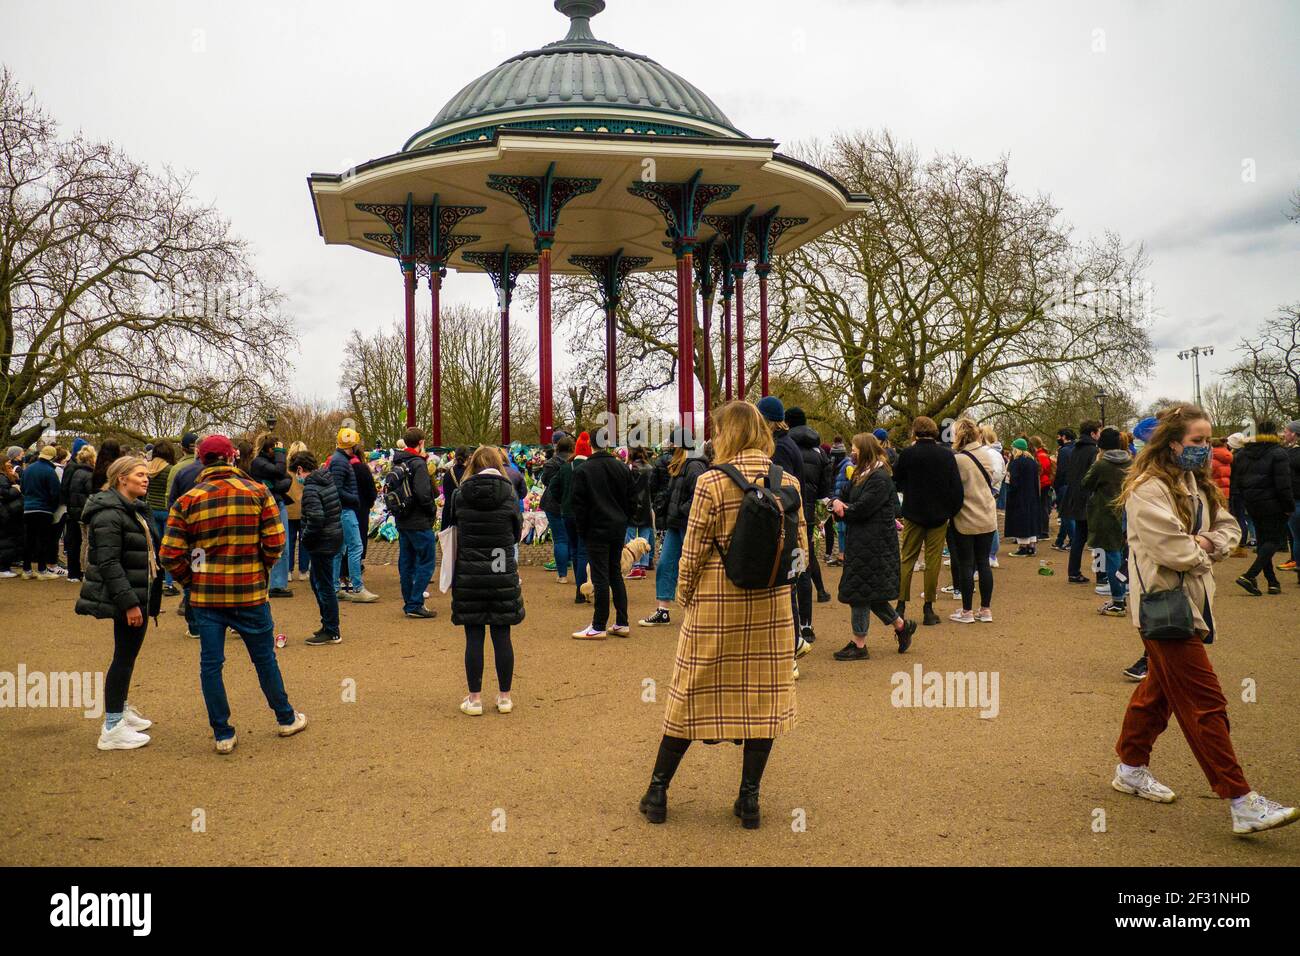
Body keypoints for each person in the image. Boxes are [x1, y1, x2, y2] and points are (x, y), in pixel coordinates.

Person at [1112, 404, 1297, 834]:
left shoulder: (1195, 482)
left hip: (1186, 603)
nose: (1205, 449)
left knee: (1156, 695)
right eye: (1197, 441)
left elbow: (1231, 529)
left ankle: (1130, 767)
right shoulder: (1147, 487)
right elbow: (1175, 551)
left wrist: (1204, 543)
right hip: (1166, 607)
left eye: (1207, 440)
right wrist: (1207, 546)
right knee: (1205, 704)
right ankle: (1240, 799)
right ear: (1172, 442)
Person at [638, 401, 805, 830]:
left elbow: (690, 552)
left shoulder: (712, 482)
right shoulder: (788, 482)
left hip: (718, 603)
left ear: (726, 433)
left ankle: (658, 791)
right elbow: (801, 555)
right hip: (771, 606)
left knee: (690, 693)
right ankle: (749, 800)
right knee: (763, 700)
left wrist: (685, 597)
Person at [160, 435, 307, 753]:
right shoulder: (257, 492)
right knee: (264, 658)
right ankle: (285, 718)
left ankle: (223, 733)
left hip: (207, 597)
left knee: (211, 664)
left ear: (201, 460)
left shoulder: (188, 500)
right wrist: (261, 570)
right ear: (231, 459)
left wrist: (191, 580)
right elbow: (275, 543)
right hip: (250, 593)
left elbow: (170, 553)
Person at [74, 457, 163, 750]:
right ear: (121, 478)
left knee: (127, 655)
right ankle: (112, 726)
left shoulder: (132, 508)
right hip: (127, 596)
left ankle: (120, 710)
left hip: (137, 591)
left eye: (146, 474)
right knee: (123, 657)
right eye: (140, 474)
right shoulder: (110, 514)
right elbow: (109, 563)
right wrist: (129, 603)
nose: (146, 479)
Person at [443, 446, 523, 715]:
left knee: (474, 635)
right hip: (500, 566)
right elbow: (515, 533)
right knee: (502, 634)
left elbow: (453, 527)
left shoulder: (460, 495)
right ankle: (504, 697)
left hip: (470, 569)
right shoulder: (509, 493)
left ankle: (474, 699)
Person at [831, 432, 916, 659]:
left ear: (864, 450)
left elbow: (861, 508)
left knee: (859, 593)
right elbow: (846, 497)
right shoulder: (862, 474)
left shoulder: (879, 478)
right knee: (871, 594)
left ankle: (859, 644)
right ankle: (901, 626)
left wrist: (843, 508)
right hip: (864, 541)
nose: (852, 452)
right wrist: (838, 503)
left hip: (875, 544)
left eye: (855, 448)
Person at [893, 416, 964, 627]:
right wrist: (950, 510)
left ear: (915, 432)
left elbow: (896, 480)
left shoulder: (907, 454)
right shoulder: (946, 455)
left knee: (907, 559)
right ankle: (928, 609)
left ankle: (900, 605)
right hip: (939, 515)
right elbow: (956, 488)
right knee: (933, 562)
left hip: (913, 513)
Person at [640, 431, 708, 627]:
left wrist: (678, 509)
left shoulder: (694, 465)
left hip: (687, 522)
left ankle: (695, 609)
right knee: (666, 564)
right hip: (677, 523)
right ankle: (663, 609)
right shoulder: (685, 464)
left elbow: (698, 496)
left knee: (690, 567)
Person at [570, 431, 632, 639]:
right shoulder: (622, 468)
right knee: (615, 573)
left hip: (595, 529)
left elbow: (579, 506)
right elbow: (630, 499)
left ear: (589, 444)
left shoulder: (584, 470)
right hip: (617, 526)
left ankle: (598, 625)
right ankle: (622, 621)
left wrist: (581, 531)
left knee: (600, 576)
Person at [1230, 421, 1295, 596]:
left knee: (1263, 541)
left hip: (1252, 503)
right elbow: (1283, 484)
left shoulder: (1242, 453)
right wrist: (1288, 506)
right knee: (1273, 541)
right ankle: (1250, 575)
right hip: (1274, 504)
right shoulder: (1278, 453)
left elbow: (1236, 480)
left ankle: (1272, 582)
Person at [290, 450, 344, 646]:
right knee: (319, 582)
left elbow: (316, 517)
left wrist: (306, 537)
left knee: (323, 585)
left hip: (321, 541)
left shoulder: (312, 488)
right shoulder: (326, 481)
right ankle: (328, 625)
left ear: (300, 469)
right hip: (332, 537)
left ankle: (331, 629)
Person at [787, 408, 833, 626]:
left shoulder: (784, 447)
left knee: (788, 567)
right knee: (805, 562)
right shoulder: (820, 453)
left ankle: (791, 621)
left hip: (788, 512)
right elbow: (825, 490)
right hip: (809, 514)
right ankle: (806, 624)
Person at [949, 419, 998, 624]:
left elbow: (953, 488)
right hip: (987, 514)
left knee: (966, 564)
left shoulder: (958, 460)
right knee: (983, 562)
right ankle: (985, 609)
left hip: (967, 515)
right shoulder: (986, 454)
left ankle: (967, 611)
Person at [1085, 428, 1132, 622]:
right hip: (1127, 511)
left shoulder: (1102, 464)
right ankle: (1122, 593)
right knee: (1121, 554)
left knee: (1111, 556)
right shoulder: (1131, 462)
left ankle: (1118, 600)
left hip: (1105, 513)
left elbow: (1085, 484)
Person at [392, 428, 439, 619]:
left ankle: (409, 601)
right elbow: (423, 493)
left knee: (407, 562)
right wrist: (431, 510)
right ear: (420, 442)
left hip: (403, 518)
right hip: (419, 520)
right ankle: (415, 602)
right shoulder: (419, 464)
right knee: (427, 561)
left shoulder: (399, 461)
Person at [328, 428, 377, 603]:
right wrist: (354, 499)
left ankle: (335, 587)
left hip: (341, 510)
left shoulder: (337, 460)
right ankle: (358, 588)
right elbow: (338, 489)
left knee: (339, 550)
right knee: (356, 547)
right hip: (346, 510)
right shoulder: (341, 462)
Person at [250, 433, 294, 598]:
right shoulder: (258, 463)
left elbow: (286, 478)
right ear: (268, 449)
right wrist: (281, 455)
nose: (276, 452)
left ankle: (278, 583)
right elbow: (281, 471)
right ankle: (275, 584)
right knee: (275, 543)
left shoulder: (266, 463)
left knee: (282, 543)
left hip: (277, 501)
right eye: (274, 449)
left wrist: (276, 485)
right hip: (272, 504)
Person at [1061, 421, 1101, 583]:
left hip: (1075, 496)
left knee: (1079, 536)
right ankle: (1101, 574)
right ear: (1093, 433)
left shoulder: (1074, 449)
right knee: (1097, 537)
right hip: (1088, 498)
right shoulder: (1094, 451)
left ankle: (1074, 571)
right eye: (1098, 432)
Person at [20, 446, 62, 579]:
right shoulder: (50, 471)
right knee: (44, 540)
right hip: (44, 509)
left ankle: (26, 570)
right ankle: (42, 570)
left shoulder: (28, 469)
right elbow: (55, 493)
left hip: (28, 508)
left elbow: (22, 488)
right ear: (53, 457)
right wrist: (52, 507)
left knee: (29, 539)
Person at [561, 433, 591, 603]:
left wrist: (564, 503)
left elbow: (554, 489)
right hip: (583, 515)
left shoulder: (566, 467)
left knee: (574, 550)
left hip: (567, 514)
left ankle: (580, 591)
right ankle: (582, 590)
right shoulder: (590, 467)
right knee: (583, 552)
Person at [60, 444, 96, 585]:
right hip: (83, 512)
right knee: (86, 542)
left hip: (74, 511)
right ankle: (84, 570)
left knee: (76, 542)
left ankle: (75, 571)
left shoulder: (75, 472)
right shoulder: (88, 475)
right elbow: (90, 494)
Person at [539, 436, 573, 582]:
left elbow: (545, 480)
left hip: (553, 504)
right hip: (570, 503)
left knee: (560, 539)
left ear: (557, 448)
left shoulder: (551, 463)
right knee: (572, 538)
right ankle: (576, 569)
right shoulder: (574, 463)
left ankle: (562, 575)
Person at [1003, 439, 1041, 556]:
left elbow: (1012, 481)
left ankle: (1023, 547)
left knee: (1020, 521)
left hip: (1019, 497)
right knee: (1031, 520)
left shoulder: (1015, 463)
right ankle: (1031, 546)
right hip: (1032, 496)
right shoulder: (1033, 462)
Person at [625, 447, 655, 579]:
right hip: (646, 506)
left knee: (630, 536)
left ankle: (634, 564)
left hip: (631, 505)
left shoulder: (629, 468)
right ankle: (643, 565)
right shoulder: (650, 468)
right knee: (645, 536)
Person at [284, 440, 309, 582]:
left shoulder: (285, 469)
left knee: (289, 541)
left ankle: (288, 570)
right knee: (304, 541)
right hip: (304, 508)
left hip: (289, 508)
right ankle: (303, 571)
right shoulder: (306, 470)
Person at [1225, 431, 1253, 555]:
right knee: (1241, 516)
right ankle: (1242, 540)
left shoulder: (1236, 457)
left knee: (1238, 516)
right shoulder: (1247, 455)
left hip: (1236, 490)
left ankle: (1240, 541)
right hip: (1243, 489)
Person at [351, 442, 378, 565]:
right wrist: (370, 502)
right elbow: (371, 489)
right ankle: (359, 561)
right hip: (361, 506)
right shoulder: (362, 468)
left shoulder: (341, 466)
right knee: (361, 533)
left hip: (345, 506)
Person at [1051, 428, 1076, 550]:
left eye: (1058, 437)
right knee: (1067, 514)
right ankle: (1060, 540)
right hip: (1075, 485)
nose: (1057, 439)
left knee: (1066, 515)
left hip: (1064, 485)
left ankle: (1073, 540)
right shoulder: (1076, 448)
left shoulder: (1064, 451)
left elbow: (1061, 471)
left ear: (1064, 437)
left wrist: (1056, 485)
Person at [1280, 420, 1300, 571]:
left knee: (1297, 537)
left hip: (1295, 499)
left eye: (1286, 431)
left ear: (1294, 434)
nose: (1284, 434)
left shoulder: (1289, 455)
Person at [0, 457, 24, 576]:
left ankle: (5, 566)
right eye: (7, 462)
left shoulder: (6, 476)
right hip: (6, 513)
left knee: (9, 540)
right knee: (6, 540)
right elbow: (4, 493)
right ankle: (3, 568)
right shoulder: (2, 477)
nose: (10, 464)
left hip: (10, 512)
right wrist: (16, 489)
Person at [1028, 436, 1054, 539]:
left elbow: (1042, 470)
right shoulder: (1042, 454)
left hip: (1043, 483)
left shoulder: (1041, 456)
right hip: (1044, 483)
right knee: (1043, 507)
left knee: (1043, 507)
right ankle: (1042, 529)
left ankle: (1043, 531)